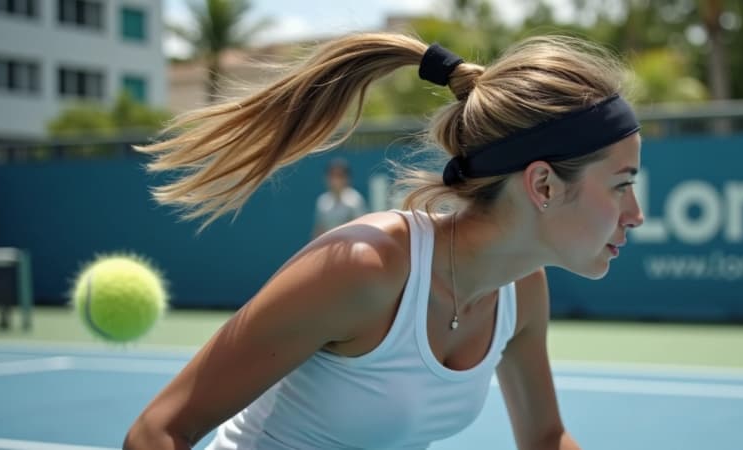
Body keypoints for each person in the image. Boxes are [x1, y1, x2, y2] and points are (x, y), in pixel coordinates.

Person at [123, 31, 644, 450]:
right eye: (622, 184)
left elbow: (545, 439)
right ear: (544, 185)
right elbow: (157, 433)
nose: (636, 214)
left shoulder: (522, 292)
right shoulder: (365, 268)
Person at [313, 157, 367, 239]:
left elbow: (362, 230)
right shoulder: (322, 201)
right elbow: (318, 231)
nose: (336, 180)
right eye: (332, 175)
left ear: (347, 178)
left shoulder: (355, 200)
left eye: (340, 176)